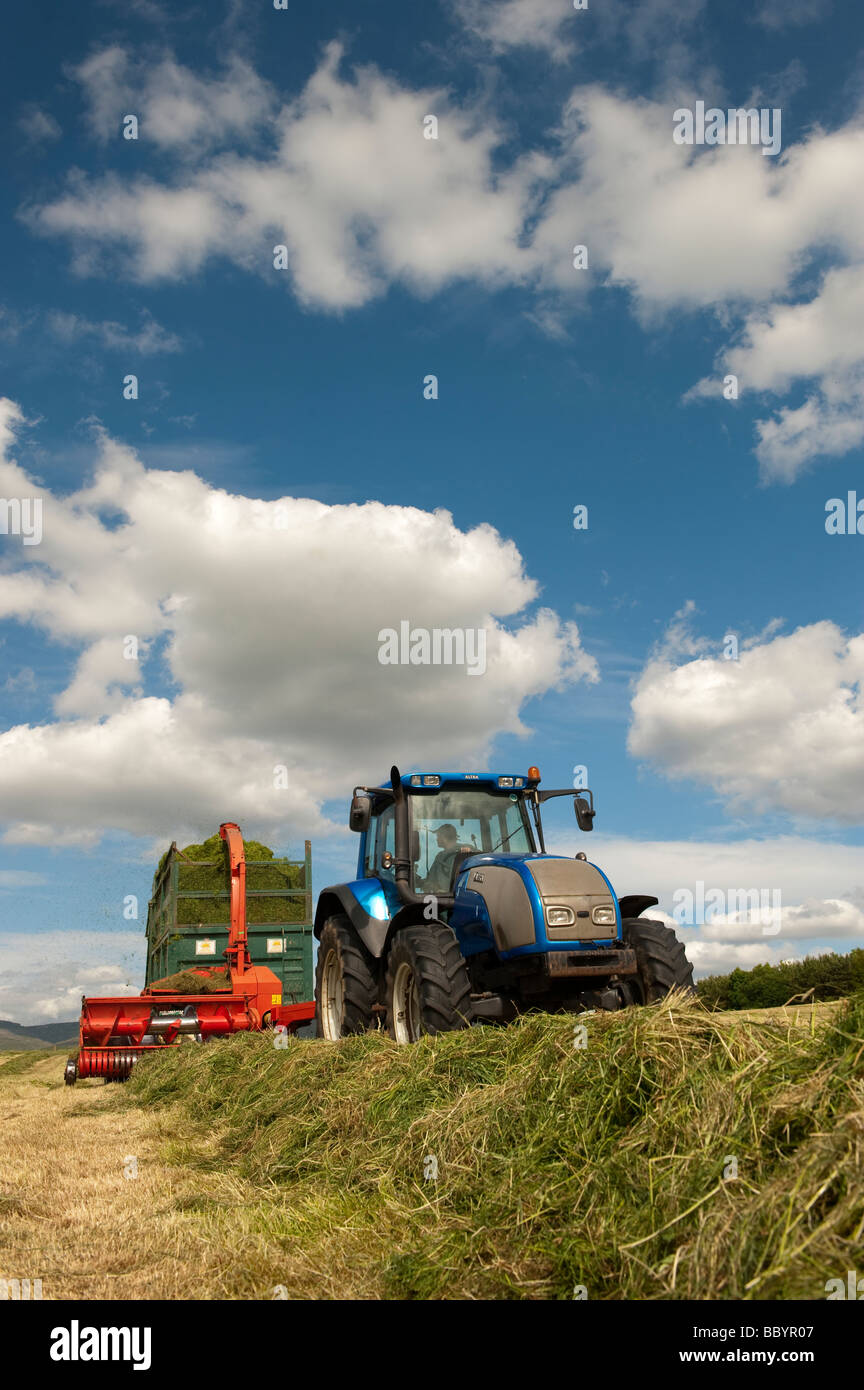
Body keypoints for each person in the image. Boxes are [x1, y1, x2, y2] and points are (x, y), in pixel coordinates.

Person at [423, 823, 461, 893]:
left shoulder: (468, 849)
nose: (436, 839)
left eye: (438, 836)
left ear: (444, 837)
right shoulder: (440, 856)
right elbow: (431, 881)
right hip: (446, 897)